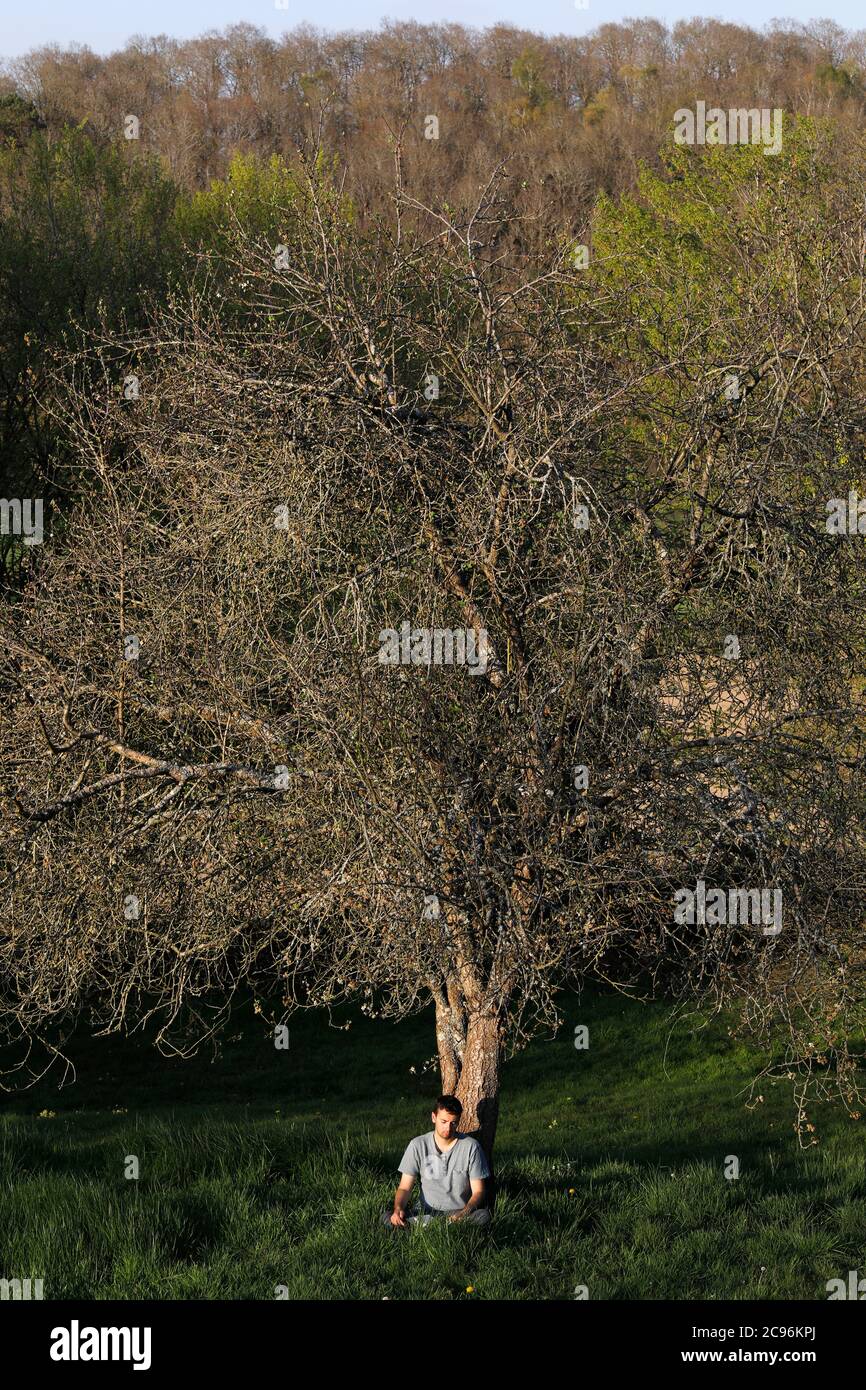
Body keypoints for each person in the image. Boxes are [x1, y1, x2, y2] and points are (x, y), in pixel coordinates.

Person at [382, 1094, 491, 1229]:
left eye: (453, 1123)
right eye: (443, 1122)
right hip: (425, 1213)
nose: (448, 1128)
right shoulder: (417, 1145)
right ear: (434, 1117)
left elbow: (479, 1191)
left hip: (457, 1215)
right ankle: (428, 1228)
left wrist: (465, 1212)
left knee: (483, 1216)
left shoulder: (471, 1146)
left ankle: (433, 1230)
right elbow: (404, 1187)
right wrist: (398, 1209)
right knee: (387, 1217)